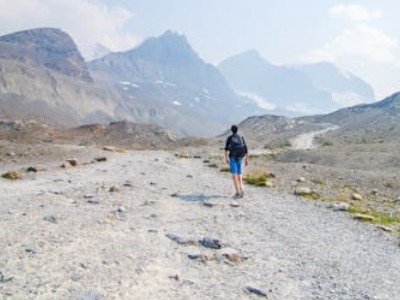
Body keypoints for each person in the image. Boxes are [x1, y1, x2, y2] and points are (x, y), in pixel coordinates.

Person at [224, 124, 249, 198]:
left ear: (231, 130)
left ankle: (238, 192)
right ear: (237, 130)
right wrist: (247, 159)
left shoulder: (229, 138)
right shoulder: (241, 137)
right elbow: (246, 148)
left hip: (233, 157)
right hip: (241, 157)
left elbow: (226, 149)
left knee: (234, 175)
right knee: (239, 173)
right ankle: (241, 187)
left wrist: (226, 158)